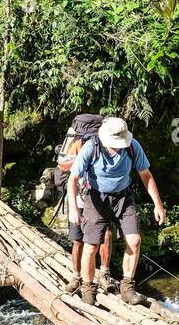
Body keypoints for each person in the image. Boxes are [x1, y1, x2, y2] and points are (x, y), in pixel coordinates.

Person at [66, 116, 166, 306]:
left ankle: (127, 288)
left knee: (135, 240)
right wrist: (73, 209)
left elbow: (146, 175)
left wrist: (158, 204)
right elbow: (73, 179)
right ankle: (88, 289)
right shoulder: (91, 147)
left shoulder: (132, 146)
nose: (117, 146)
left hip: (123, 197)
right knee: (91, 245)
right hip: (96, 198)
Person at [55, 131, 112, 295]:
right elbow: (62, 166)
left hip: (97, 200)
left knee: (105, 235)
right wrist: (82, 161)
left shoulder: (104, 146)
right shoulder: (80, 144)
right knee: (78, 240)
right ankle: (76, 276)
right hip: (79, 200)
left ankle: (104, 273)